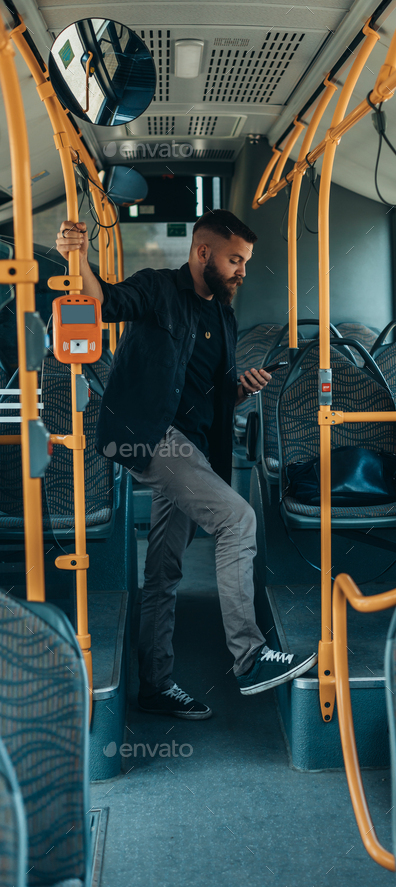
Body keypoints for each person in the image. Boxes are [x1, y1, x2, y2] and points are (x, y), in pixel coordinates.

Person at [55, 209, 317, 719]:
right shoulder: (157, 289)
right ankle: (250, 657)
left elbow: (208, 387)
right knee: (238, 519)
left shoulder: (222, 311)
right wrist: (77, 256)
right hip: (150, 437)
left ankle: (154, 684)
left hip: (192, 447)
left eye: (245, 261)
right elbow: (101, 301)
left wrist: (240, 388)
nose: (242, 270)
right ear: (203, 253)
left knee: (164, 569)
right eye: (235, 259)